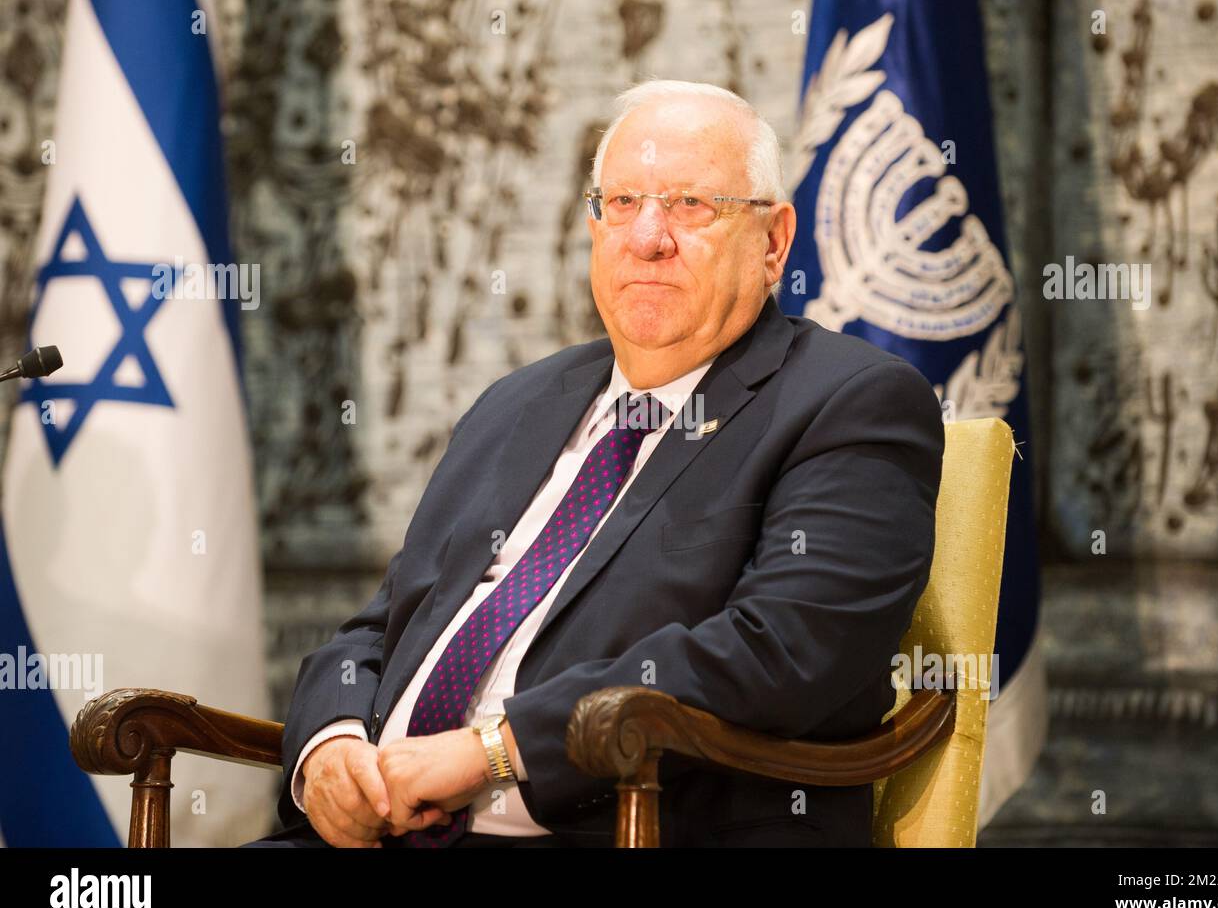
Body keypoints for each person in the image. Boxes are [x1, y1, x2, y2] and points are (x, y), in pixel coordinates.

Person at [244, 79, 943, 848]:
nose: (647, 236)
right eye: (621, 203)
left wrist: (491, 751)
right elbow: (385, 622)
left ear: (773, 241)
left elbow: (782, 648)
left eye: (690, 205)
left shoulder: (849, 401)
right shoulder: (520, 402)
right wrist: (331, 747)